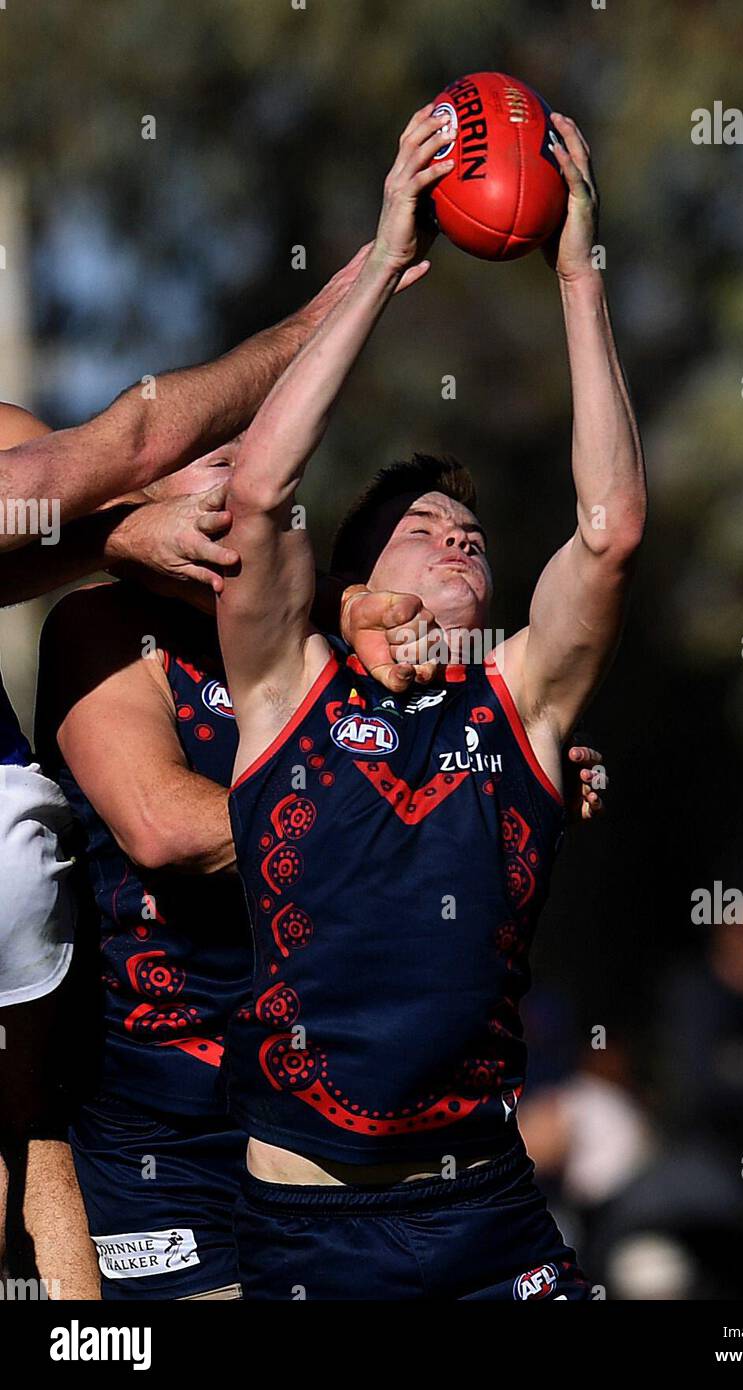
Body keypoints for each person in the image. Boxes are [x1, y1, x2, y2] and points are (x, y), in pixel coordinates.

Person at [216, 104, 645, 1299]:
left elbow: (608, 538)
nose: (459, 538)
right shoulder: (285, 691)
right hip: (306, 1227)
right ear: (354, 578)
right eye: (424, 528)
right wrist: (387, 262)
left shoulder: (522, 707)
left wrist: (576, 272)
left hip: (484, 1214)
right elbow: (257, 494)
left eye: (473, 535)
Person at [0, 241, 407, 1294]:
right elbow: (164, 828)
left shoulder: (329, 641)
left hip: (319, 1107)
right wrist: (403, 808)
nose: (238, 485)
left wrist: (509, 760)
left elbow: (59, 492)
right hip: (159, 1129)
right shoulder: (102, 631)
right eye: (214, 458)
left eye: (264, 467)